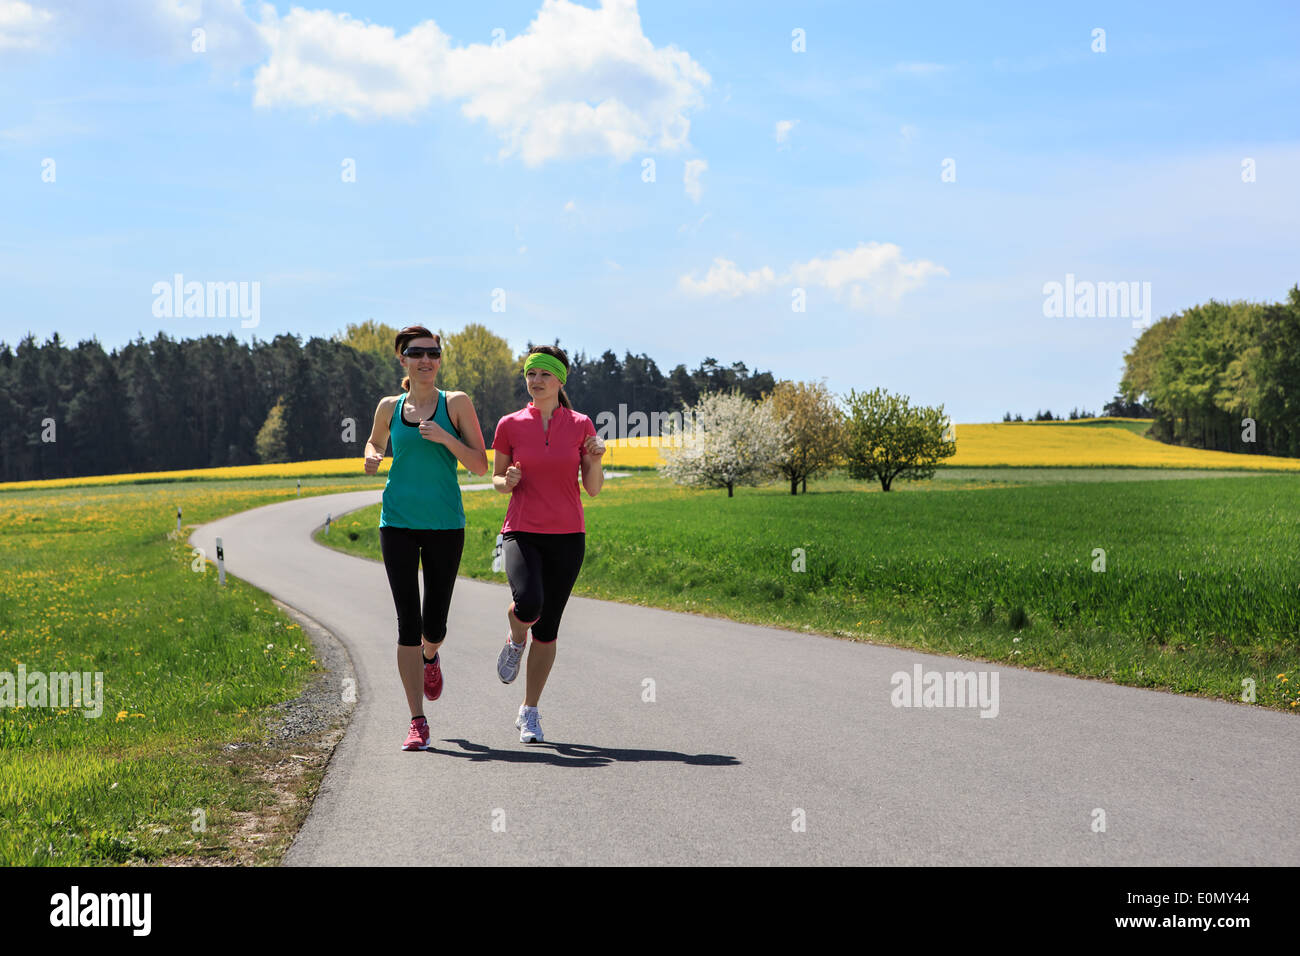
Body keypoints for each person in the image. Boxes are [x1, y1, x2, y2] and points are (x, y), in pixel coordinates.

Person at [363, 326, 488, 751]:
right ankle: (417, 720)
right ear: (403, 360)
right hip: (396, 522)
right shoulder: (389, 406)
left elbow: (480, 465)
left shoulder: (456, 403)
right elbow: (375, 441)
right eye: (416, 353)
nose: (426, 360)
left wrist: (445, 436)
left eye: (433, 353)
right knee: (408, 624)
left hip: (445, 525)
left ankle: (431, 657)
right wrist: (371, 455)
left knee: (434, 624)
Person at [492, 345, 605, 743]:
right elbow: (497, 477)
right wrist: (506, 481)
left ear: (560, 380)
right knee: (529, 604)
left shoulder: (580, 424)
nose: (535, 381)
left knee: (550, 627)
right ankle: (515, 636)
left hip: (568, 535)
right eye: (530, 373)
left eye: (544, 374)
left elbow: (592, 489)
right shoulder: (509, 424)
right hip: (522, 530)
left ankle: (529, 711)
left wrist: (594, 458)